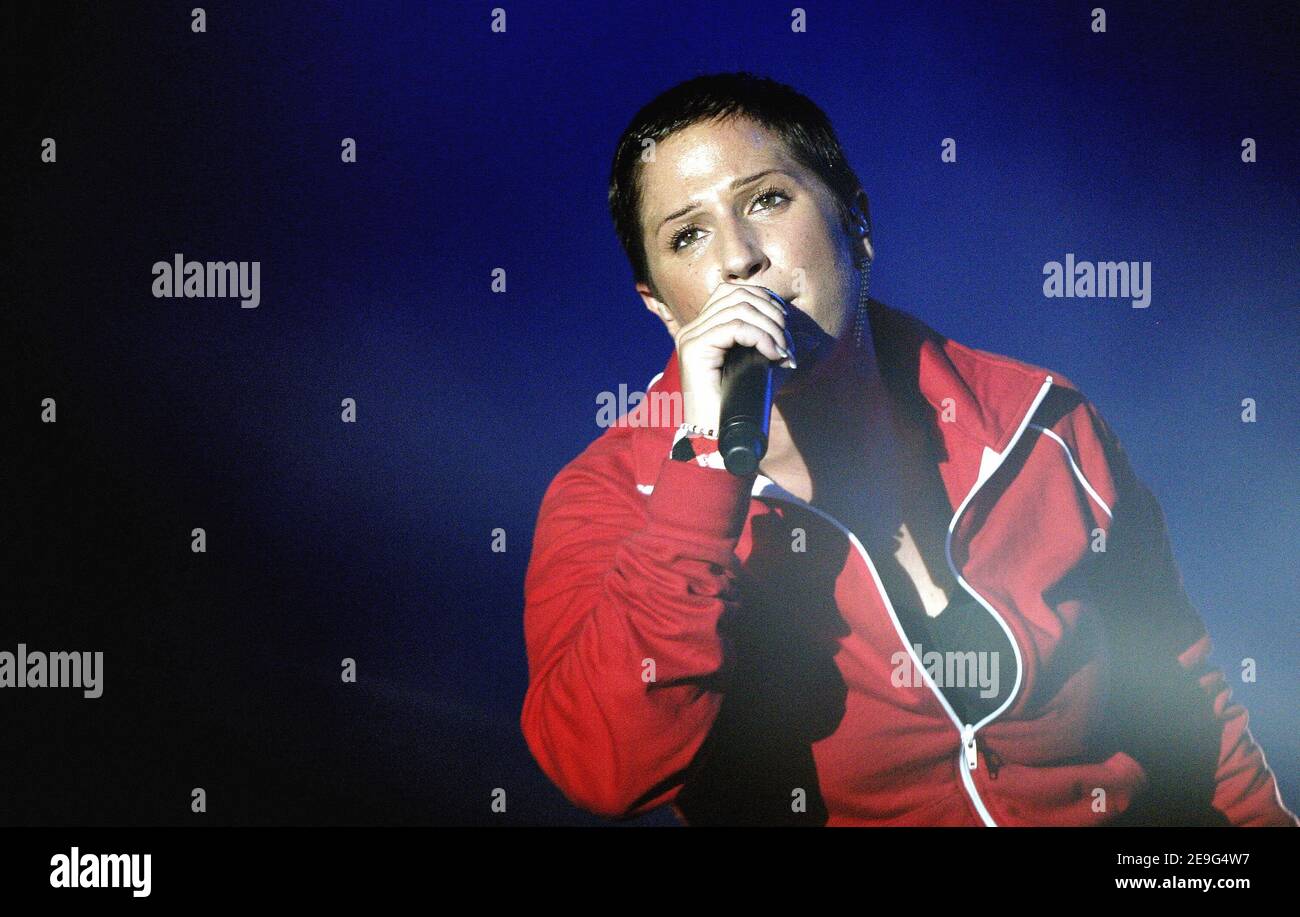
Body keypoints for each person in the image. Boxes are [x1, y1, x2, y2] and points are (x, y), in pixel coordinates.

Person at [519, 71, 1297, 826]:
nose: (737, 258)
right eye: (688, 235)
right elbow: (603, 770)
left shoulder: (1040, 424)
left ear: (856, 222)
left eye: (767, 199)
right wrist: (709, 471)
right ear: (660, 308)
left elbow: (1183, 694)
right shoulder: (613, 498)